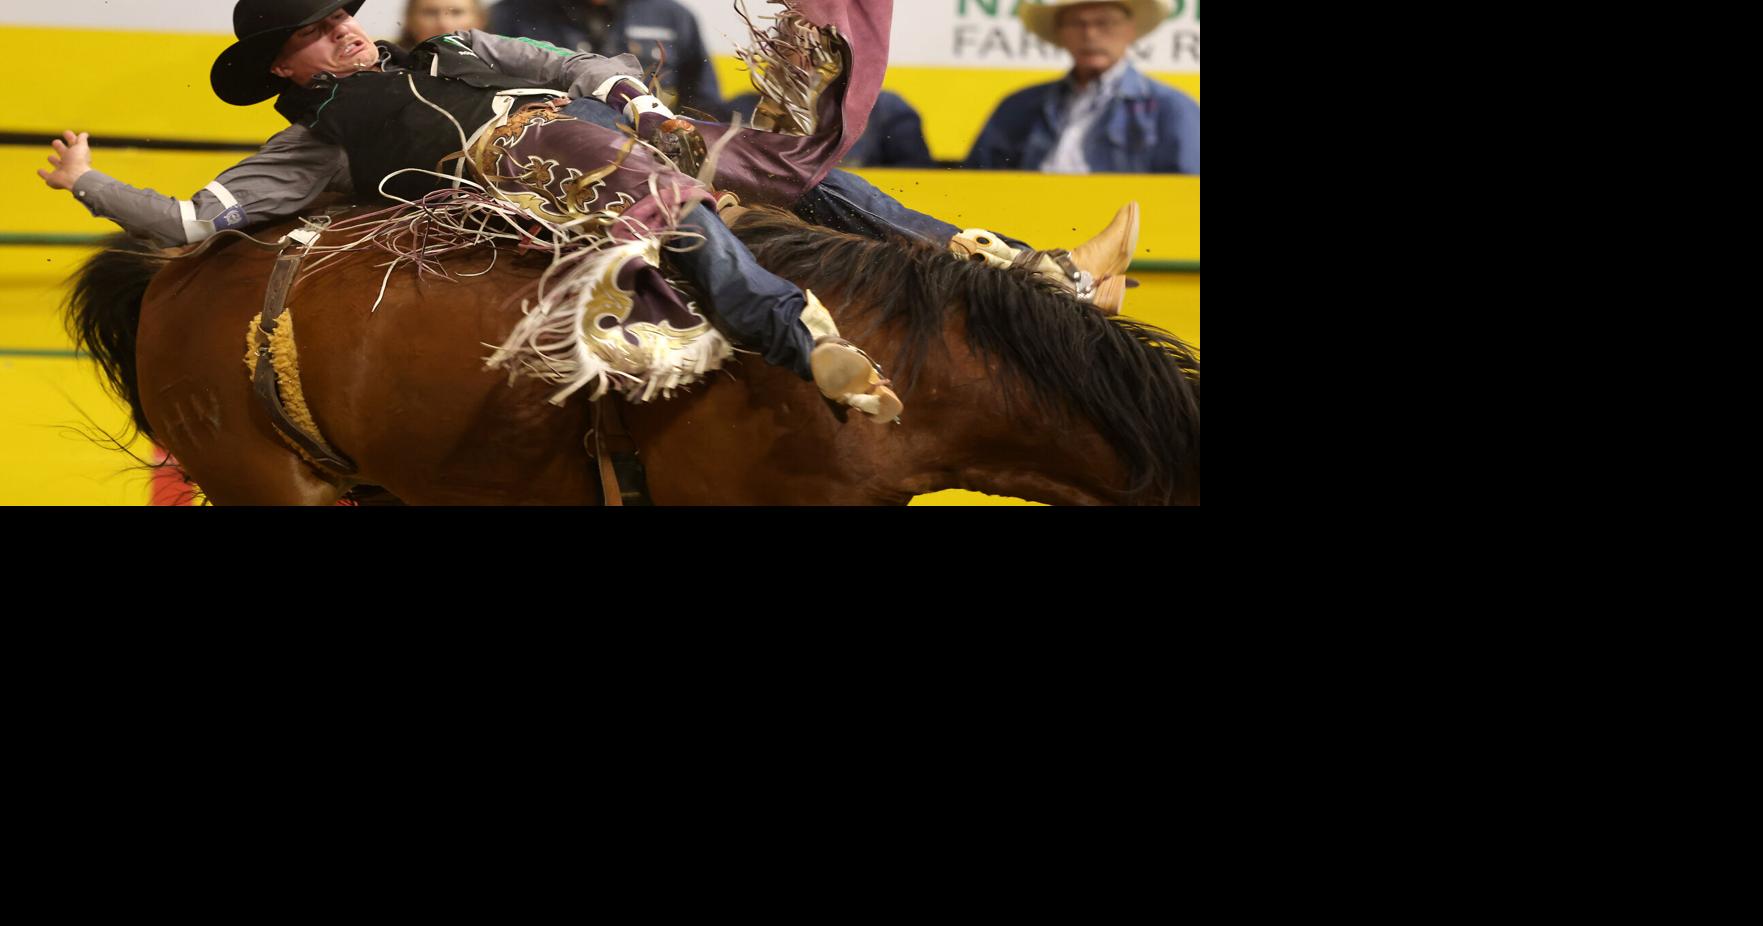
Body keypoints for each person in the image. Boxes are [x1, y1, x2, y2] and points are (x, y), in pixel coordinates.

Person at [37, 0, 902, 419]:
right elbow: (191, 223)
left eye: (340, 16)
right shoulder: (317, 142)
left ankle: (961, 252)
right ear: (283, 70)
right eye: (315, 33)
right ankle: (792, 334)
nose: (344, 31)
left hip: (617, 128)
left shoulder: (452, 47)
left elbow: (568, 66)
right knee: (669, 204)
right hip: (540, 181)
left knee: (797, 174)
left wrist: (635, 100)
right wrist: (86, 182)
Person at [966, 0, 1199, 175]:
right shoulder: (1019, 106)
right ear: (1060, 33)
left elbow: (1185, 195)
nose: (1090, 34)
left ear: (1130, 30)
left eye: (1105, 22)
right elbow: (976, 180)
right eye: (1076, 24)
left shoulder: (1172, 108)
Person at [487, 0, 726, 118]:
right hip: (545, 157)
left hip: (656, 155)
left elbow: (702, 102)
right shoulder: (511, 14)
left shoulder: (673, 17)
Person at [727, 89, 931, 168]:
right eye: (784, 41)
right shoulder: (742, 110)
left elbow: (919, 181)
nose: (805, 57)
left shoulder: (886, 110)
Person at [398, 0, 486, 47]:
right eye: (430, 12)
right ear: (410, 20)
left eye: (456, 12)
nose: (444, 24)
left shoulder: (493, 68)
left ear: (479, 19)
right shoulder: (391, 67)